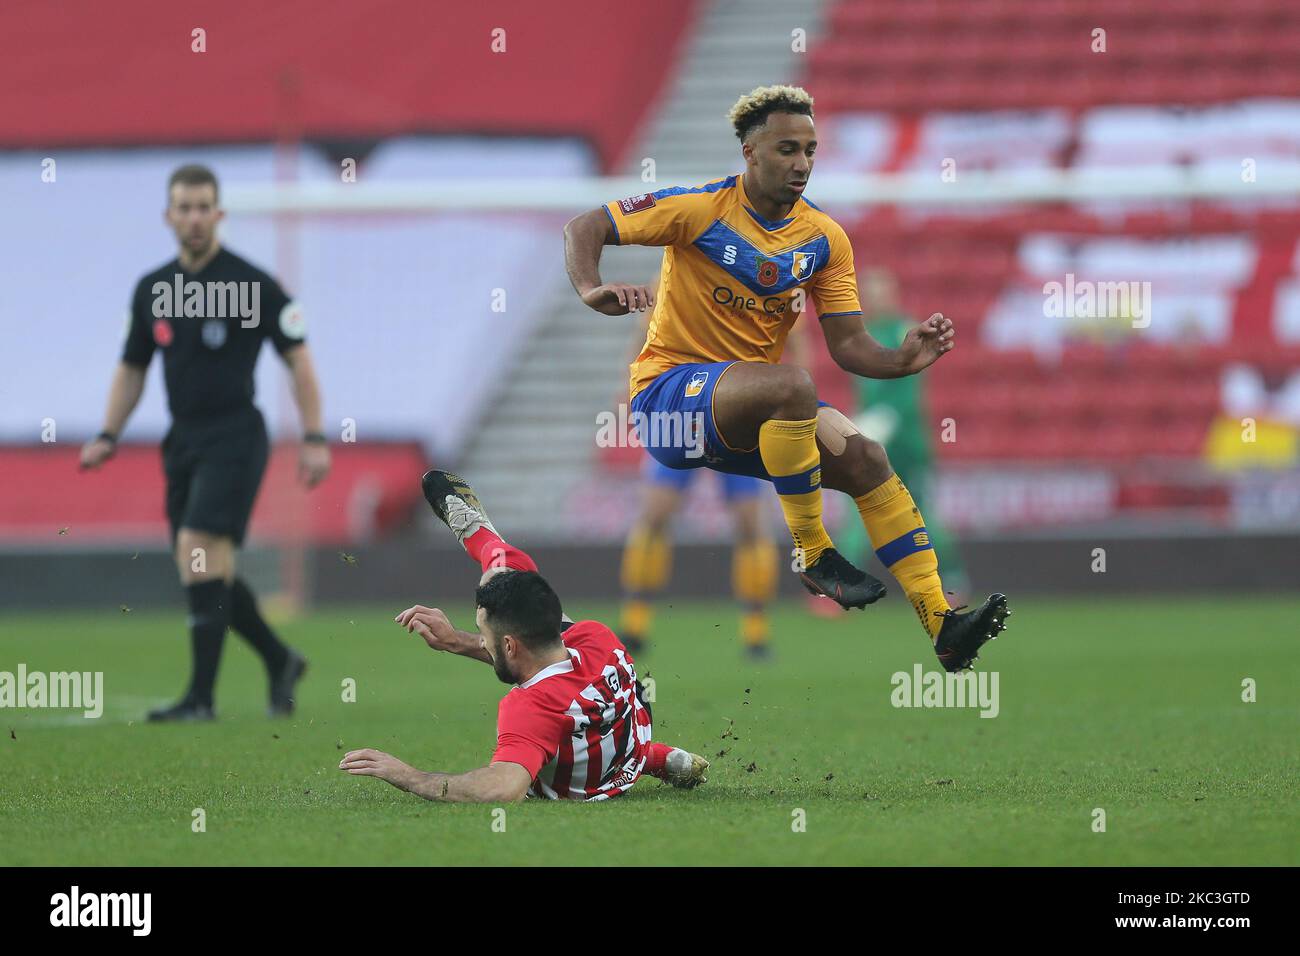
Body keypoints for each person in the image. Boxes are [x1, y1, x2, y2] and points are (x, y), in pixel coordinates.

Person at [562, 85, 1009, 671]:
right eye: (786, 150)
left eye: (810, 151)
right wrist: (592, 289)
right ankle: (812, 552)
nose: (801, 164)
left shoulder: (825, 239)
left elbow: (849, 346)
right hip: (669, 400)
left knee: (870, 457)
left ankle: (942, 623)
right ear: (750, 153)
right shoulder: (698, 209)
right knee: (792, 386)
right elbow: (584, 226)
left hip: (756, 414)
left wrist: (900, 360)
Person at [79, 164, 329, 720]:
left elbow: (299, 360)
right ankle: (278, 657)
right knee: (201, 566)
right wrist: (106, 434)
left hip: (236, 434)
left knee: (199, 549)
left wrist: (313, 436)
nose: (193, 217)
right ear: (169, 215)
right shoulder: (153, 290)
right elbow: (132, 367)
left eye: (203, 207)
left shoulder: (252, 285)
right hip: (184, 440)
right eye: (183, 207)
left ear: (218, 214)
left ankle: (200, 699)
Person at [338, 471, 710, 802]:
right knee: (513, 589)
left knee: (503, 582)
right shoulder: (598, 638)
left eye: (485, 636)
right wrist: (455, 641)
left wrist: (408, 776)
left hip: (590, 775)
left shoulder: (529, 708)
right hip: (626, 737)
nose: (481, 641)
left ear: (510, 645)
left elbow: (502, 788)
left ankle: (480, 535)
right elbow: (530, 650)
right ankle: (656, 757)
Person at [836, 269, 969, 601]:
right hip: (874, 443)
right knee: (858, 510)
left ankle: (952, 580)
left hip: (908, 444)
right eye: (871, 292)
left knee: (921, 513)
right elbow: (865, 397)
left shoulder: (905, 332)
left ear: (894, 295)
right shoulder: (862, 337)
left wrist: (882, 423)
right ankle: (840, 587)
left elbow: (907, 397)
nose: (875, 298)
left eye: (882, 291)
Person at [621, 458, 777, 661]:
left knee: (749, 524)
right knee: (655, 515)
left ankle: (756, 634)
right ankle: (634, 627)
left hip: (732, 435)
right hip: (684, 431)